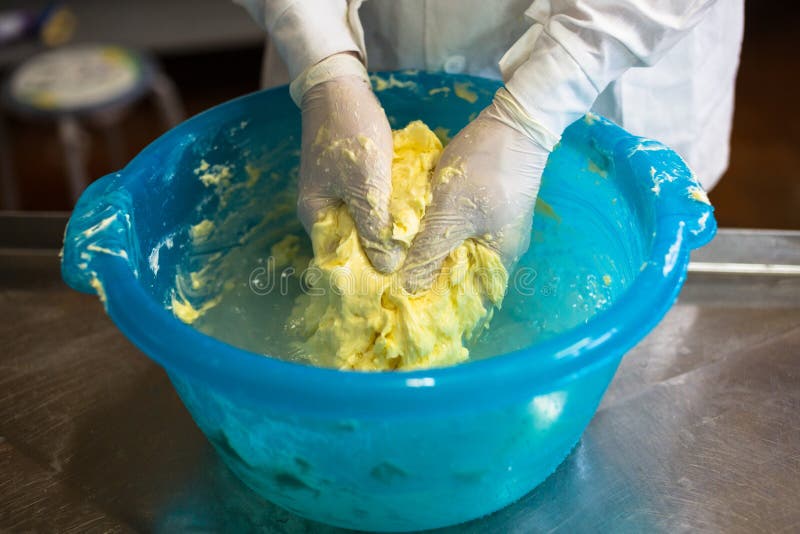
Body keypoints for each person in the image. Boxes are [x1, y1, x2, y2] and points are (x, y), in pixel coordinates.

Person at [236, 0, 744, 291]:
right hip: (366, 37)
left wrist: (534, 112)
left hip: (616, 54)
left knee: (622, 291)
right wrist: (326, 64)